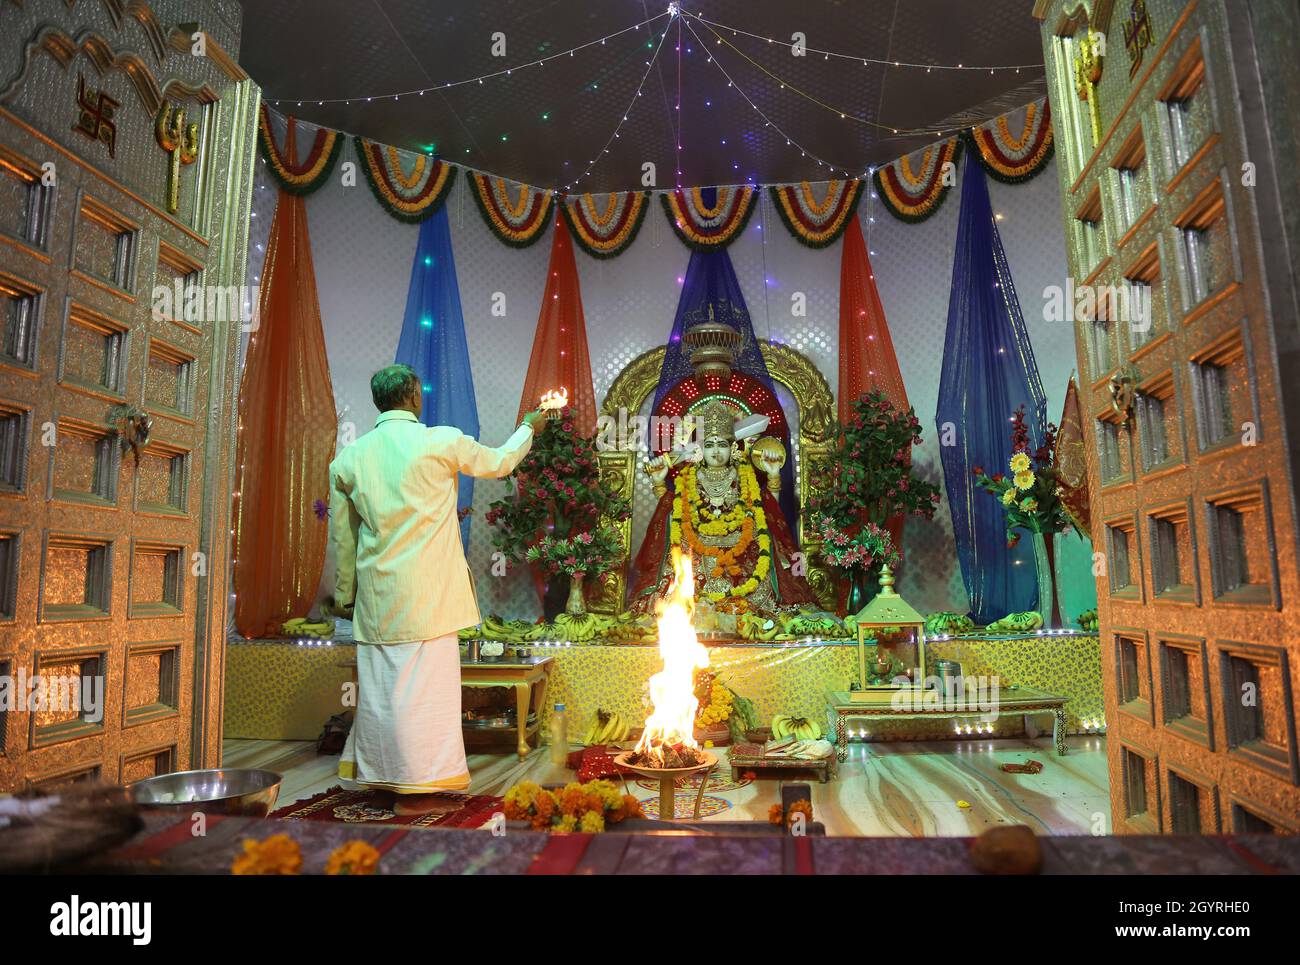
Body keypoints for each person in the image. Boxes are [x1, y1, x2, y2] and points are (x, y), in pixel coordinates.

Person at [328, 364, 545, 814]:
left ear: (378, 403)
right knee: (424, 694)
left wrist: (346, 595)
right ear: (412, 397)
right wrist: (528, 427)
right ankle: (418, 790)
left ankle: (382, 780)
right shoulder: (441, 440)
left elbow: (343, 536)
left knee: (382, 690)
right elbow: (500, 462)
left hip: (378, 596)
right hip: (429, 597)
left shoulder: (349, 458)